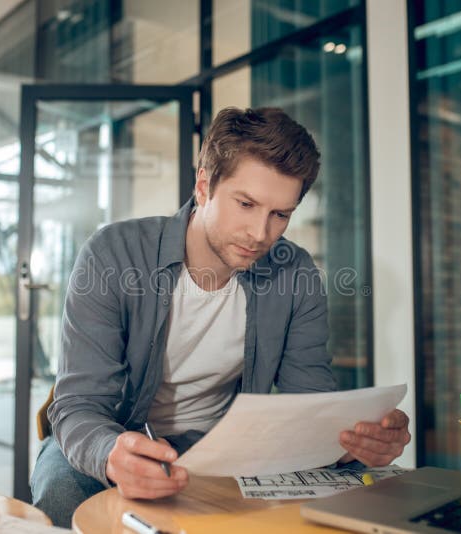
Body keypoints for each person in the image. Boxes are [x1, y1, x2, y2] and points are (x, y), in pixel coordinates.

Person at [31, 107, 411, 527]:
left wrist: (355, 444)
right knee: (63, 492)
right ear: (203, 186)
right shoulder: (114, 254)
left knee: (357, 494)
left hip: (227, 447)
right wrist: (110, 455)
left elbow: (310, 404)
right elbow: (79, 405)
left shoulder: (296, 272)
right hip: (114, 432)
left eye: (280, 214)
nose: (260, 234)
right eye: (245, 204)